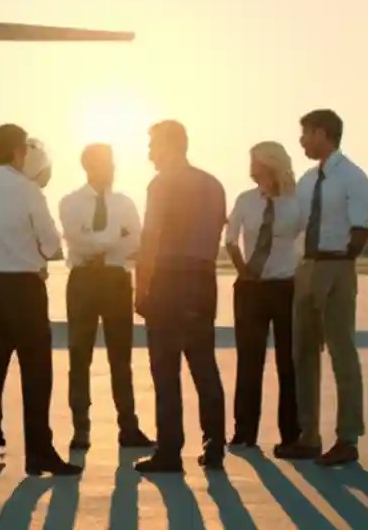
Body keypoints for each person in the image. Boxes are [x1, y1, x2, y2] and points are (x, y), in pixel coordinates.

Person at [0, 123, 81, 476]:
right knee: (36, 374)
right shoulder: (30, 192)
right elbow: (51, 246)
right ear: (19, 152)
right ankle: (38, 453)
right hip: (24, 290)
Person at [275, 109, 368, 466]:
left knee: (341, 352)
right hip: (306, 268)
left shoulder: (353, 178)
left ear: (323, 133)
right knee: (303, 353)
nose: (301, 141)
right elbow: (297, 224)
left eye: (305, 134)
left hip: (336, 266)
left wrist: (339, 264)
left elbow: (360, 231)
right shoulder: (305, 180)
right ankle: (309, 436)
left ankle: (347, 438)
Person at [133, 120, 227, 473]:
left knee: (166, 370)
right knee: (204, 366)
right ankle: (215, 444)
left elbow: (150, 238)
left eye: (153, 144)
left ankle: (170, 450)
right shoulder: (213, 184)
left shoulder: (161, 184)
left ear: (170, 145)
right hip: (203, 279)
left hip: (169, 279)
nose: (150, 153)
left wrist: (140, 289)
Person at [58, 143, 154, 451]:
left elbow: (136, 241)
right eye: (104, 163)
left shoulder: (125, 203)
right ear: (88, 166)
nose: (111, 169)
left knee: (120, 358)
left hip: (115, 281)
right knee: (79, 355)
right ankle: (81, 429)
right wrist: (115, 239)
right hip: (83, 281)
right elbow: (77, 242)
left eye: (111, 163)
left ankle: (128, 427)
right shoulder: (70, 203)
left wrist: (100, 245)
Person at [225, 141, 303, 455]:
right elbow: (230, 239)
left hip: (286, 287)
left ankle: (291, 433)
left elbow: (306, 238)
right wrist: (244, 271)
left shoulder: (296, 201)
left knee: (289, 363)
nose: (250, 167)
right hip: (251, 289)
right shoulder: (245, 200)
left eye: (255, 161)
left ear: (269, 164)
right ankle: (244, 432)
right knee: (249, 361)